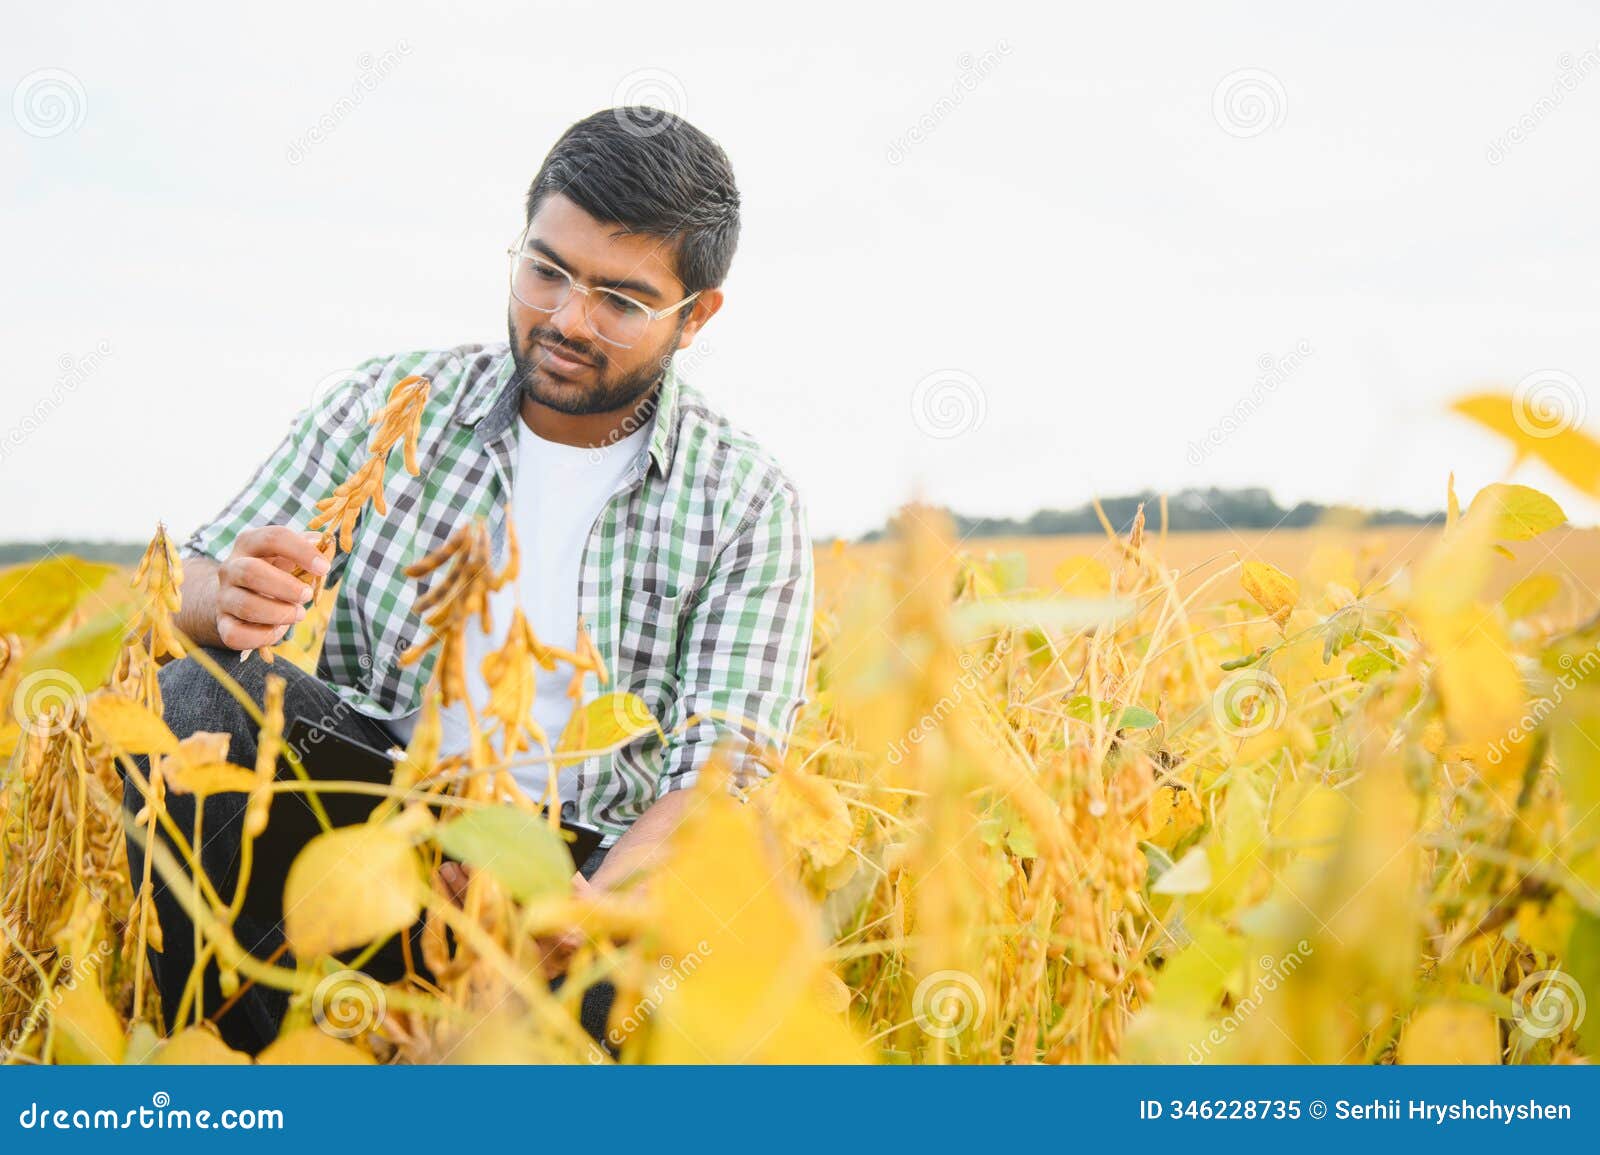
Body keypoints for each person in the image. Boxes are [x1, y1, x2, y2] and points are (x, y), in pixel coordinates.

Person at [120, 107, 814, 1053]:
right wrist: (224, 593)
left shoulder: (745, 499)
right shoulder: (392, 403)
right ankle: (238, 1067)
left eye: (620, 299)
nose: (565, 319)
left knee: (679, 947)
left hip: (577, 861)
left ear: (696, 316)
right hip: (372, 802)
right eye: (546, 270)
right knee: (194, 694)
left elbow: (723, 772)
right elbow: (181, 584)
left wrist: (585, 910)